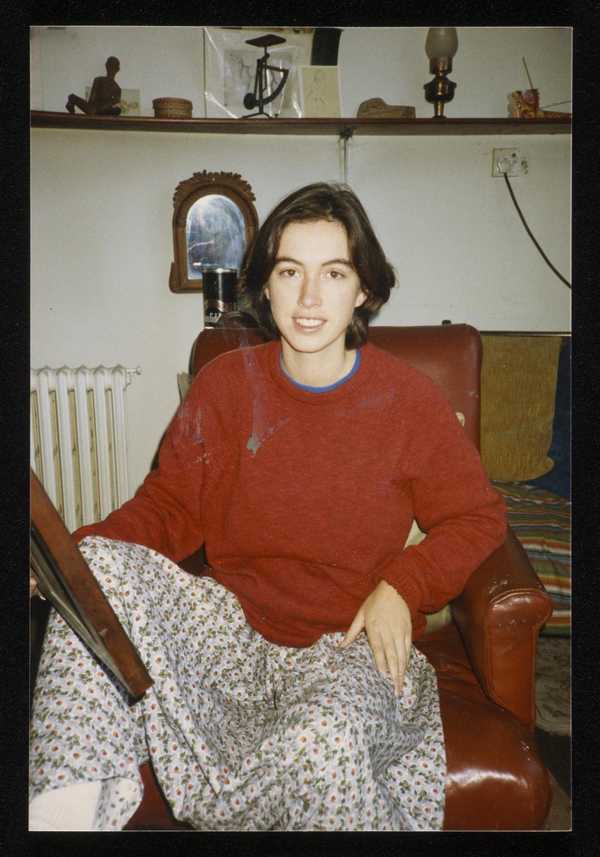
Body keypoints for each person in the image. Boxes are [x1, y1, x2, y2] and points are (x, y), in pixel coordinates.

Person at [29, 182, 507, 831]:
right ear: (267, 284)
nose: (310, 299)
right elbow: (170, 506)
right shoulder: (226, 385)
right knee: (94, 570)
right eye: (290, 272)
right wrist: (71, 559)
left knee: (326, 738)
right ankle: (62, 818)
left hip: (347, 645)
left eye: (333, 273)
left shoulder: (409, 403)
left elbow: (478, 518)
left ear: (363, 288)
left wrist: (404, 583)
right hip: (232, 634)